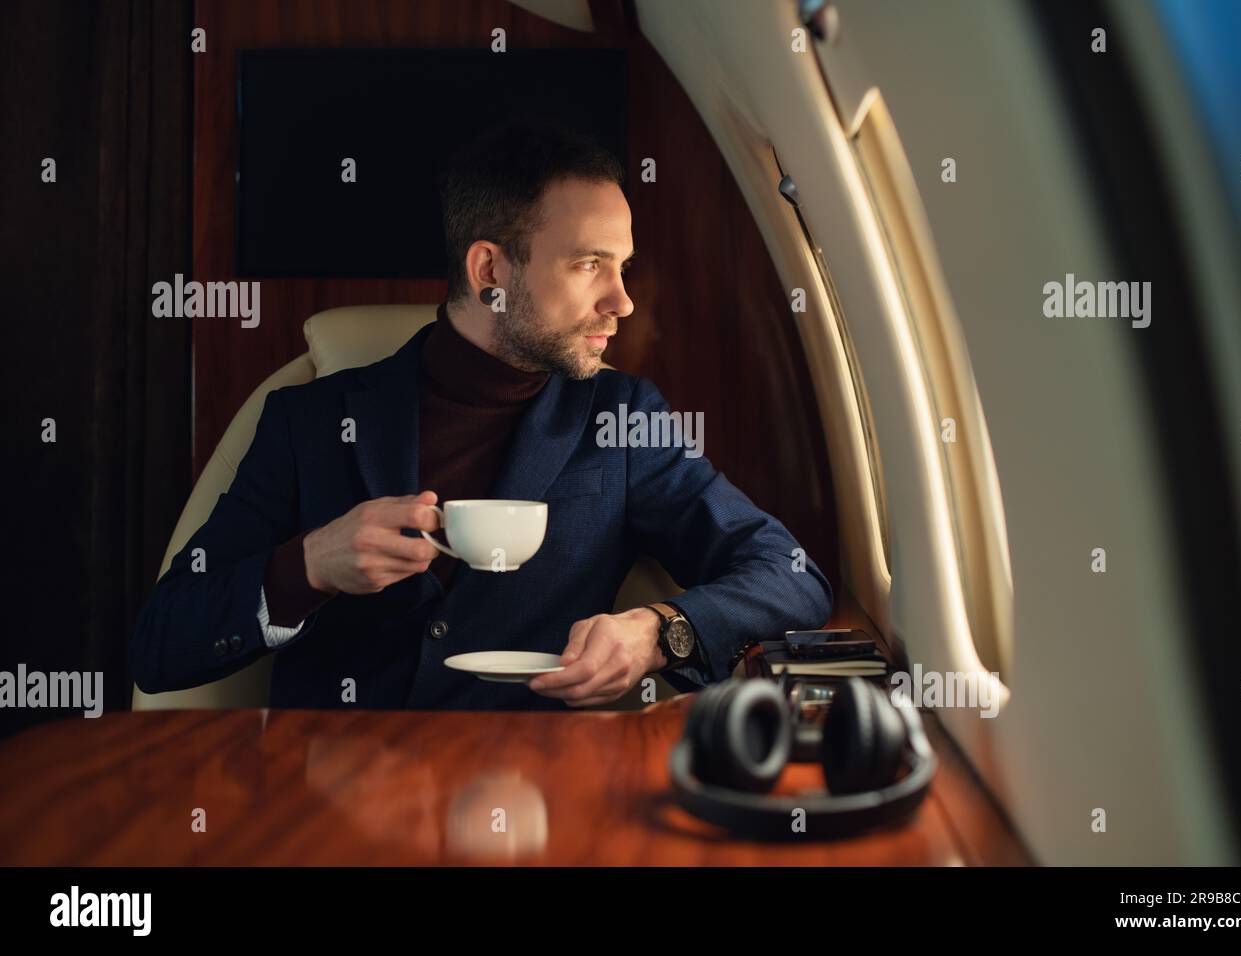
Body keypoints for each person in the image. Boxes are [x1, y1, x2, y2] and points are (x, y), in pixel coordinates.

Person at [131, 120, 833, 710]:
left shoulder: (622, 421)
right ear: (490, 272)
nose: (621, 302)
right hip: (327, 798)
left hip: (537, 800)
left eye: (623, 266)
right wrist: (305, 567)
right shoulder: (307, 421)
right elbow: (160, 649)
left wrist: (660, 631)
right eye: (591, 264)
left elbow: (790, 573)